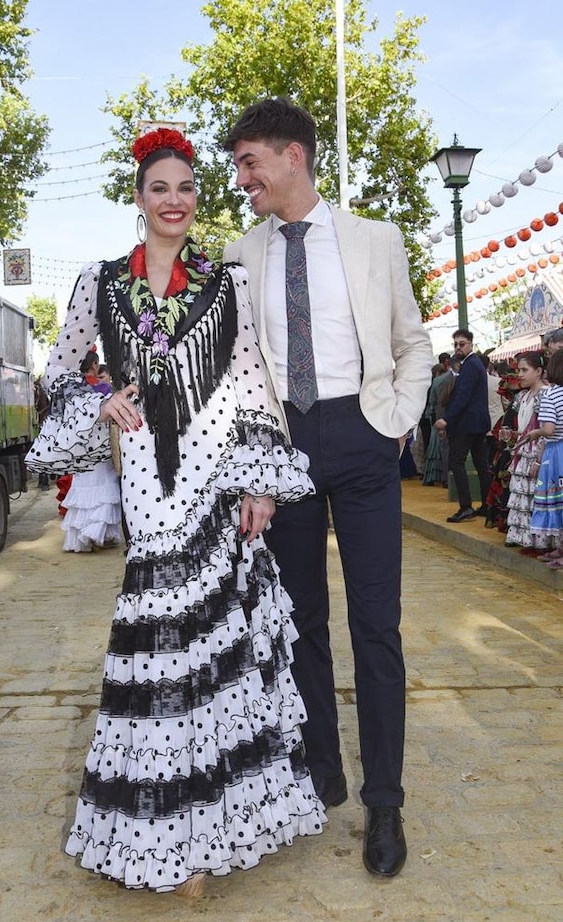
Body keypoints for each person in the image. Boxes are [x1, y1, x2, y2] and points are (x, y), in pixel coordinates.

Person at [28, 126, 325, 895]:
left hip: (217, 475)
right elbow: (60, 372)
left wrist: (260, 482)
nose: (174, 201)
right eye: (159, 188)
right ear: (138, 198)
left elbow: (255, 382)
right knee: (159, 645)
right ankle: (165, 835)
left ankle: (208, 834)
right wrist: (103, 398)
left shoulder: (224, 284)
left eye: (186, 188)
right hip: (149, 490)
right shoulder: (97, 282)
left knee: (211, 650)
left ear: (199, 198)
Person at [223, 97, 433, 878]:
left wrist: (398, 419)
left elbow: (413, 343)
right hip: (286, 444)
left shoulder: (376, 239)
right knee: (301, 618)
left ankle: (385, 799)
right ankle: (322, 770)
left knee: (377, 624)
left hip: (364, 434)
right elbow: (239, 373)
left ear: (293, 157)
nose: (242, 178)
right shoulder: (240, 256)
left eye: (251, 162)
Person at [59, 350, 123, 553]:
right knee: (105, 486)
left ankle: (82, 536)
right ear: (95, 365)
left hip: (80, 447)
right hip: (100, 446)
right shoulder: (104, 388)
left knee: (83, 487)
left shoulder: (70, 388)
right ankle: (98, 534)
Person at [434, 330, 491, 523]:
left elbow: (462, 397)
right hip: (477, 424)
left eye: (462, 344)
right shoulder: (474, 365)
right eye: (456, 344)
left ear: (471, 345)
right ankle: (486, 505)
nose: (458, 347)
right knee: (481, 465)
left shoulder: (471, 365)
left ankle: (466, 506)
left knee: (457, 462)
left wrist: (447, 420)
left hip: (467, 424)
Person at [516, 349, 563, 567]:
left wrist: (534, 433)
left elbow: (548, 428)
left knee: (555, 501)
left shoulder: (551, 395)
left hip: (555, 453)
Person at [504, 352, 548, 550]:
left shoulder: (545, 394)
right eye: (518, 370)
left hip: (538, 450)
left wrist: (539, 458)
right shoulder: (522, 395)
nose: (520, 375)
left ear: (538, 371)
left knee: (535, 494)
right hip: (523, 449)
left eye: (524, 370)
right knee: (521, 491)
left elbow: (549, 430)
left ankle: (538, 539)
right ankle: (521, 536)